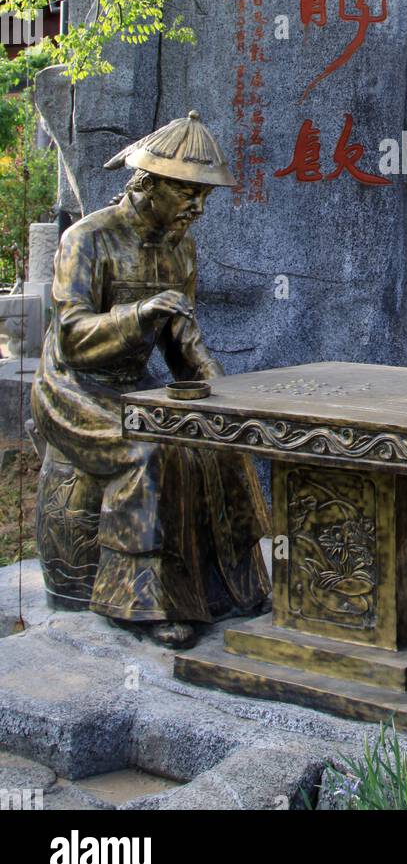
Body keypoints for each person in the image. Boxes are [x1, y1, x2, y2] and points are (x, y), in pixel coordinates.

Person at [32, 111, 270, 648]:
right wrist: (140, 314)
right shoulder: (87, 239)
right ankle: (141, 601)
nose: (198, 208)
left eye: (204, 196)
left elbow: (182, 342)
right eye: (188, 193)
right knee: (149, 453)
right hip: (74, 388)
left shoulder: (181, 247)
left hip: (131, 387)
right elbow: (71, 337)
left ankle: (232, 587)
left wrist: (222, 391)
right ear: (149, 184)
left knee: (220, 443)